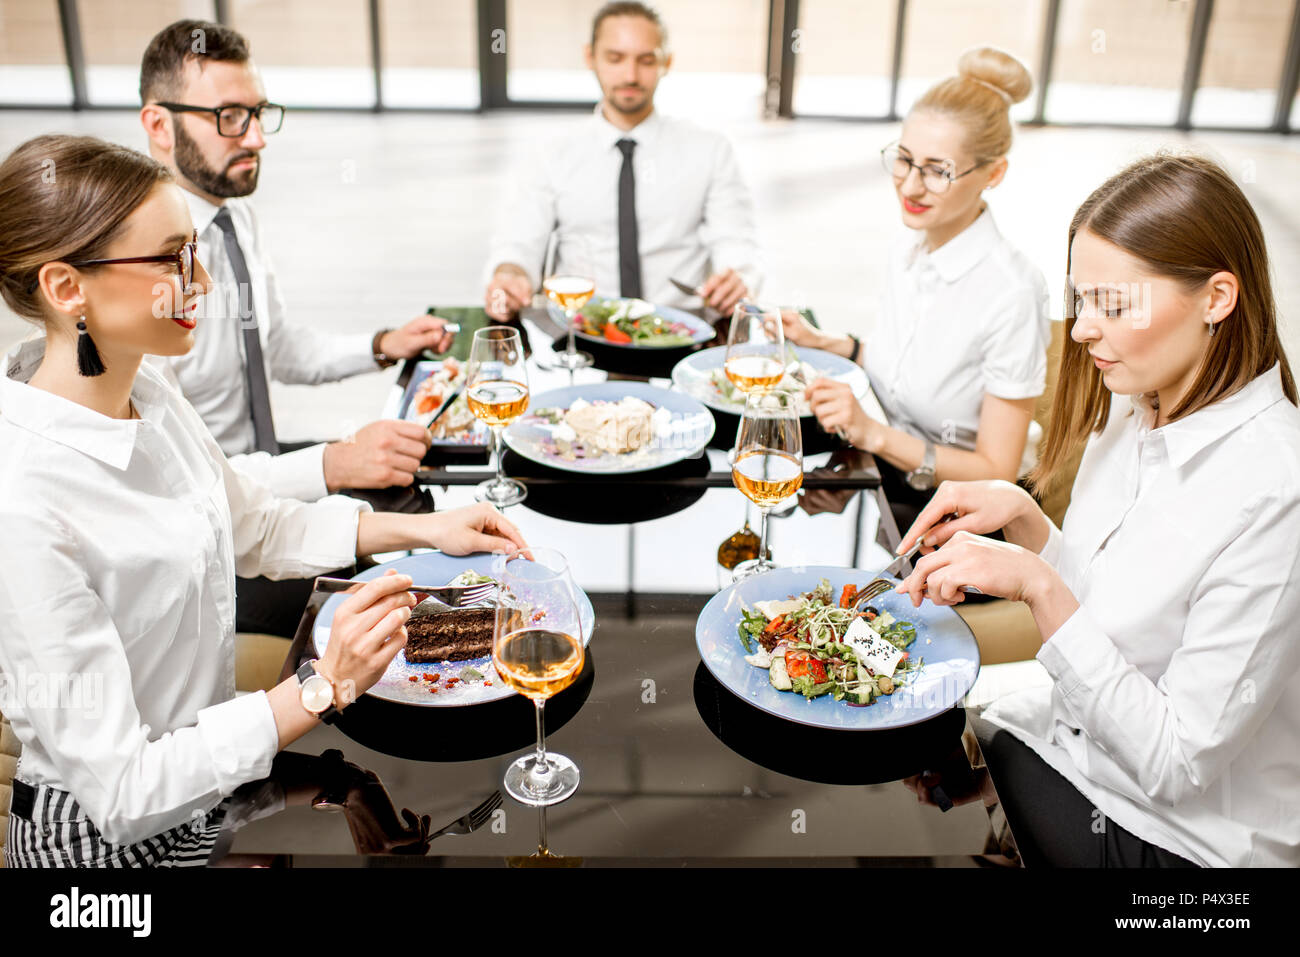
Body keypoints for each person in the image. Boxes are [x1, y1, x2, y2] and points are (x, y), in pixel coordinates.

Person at [0, 134, 529, 866]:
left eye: (197, 252)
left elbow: (252, 522)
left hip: (206, 776)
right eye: (171, 259)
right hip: (100, 847)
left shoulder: (149, 392)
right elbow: (122, 796)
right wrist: (323, 686)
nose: (204, 284)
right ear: (67, 288)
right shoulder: (25, 501)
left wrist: (434, 529)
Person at [894, 154, 1300, 868]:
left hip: (1178, 845)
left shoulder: (1277, 488)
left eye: (1114, 306)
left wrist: (1037, 585)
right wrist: (1026, 521)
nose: (1081, 330)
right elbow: (1120, 609)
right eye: (1082, 299)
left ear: (1217, 297)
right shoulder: (1135, 404)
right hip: (1077, 755)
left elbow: (1175, 762)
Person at [138, 20, 463, 636]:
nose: (256, 136)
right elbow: (182, 488)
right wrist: (332, 463)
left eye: (259, 113)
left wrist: (380, 346)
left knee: (411, 484)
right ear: (160, 125)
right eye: (231, 116)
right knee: (386, 576)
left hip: (261, 476)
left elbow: (276, 346)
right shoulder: (142, 277)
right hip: (206, 537)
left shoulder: (237, 222)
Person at [782, 47, 1050, 534]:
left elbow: (997, 471)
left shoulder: (1011, 292)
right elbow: (909, 376)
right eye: (904, 160)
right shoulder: (910, 244)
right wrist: (834, 346)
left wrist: (873, 436)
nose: (909, 186)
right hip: (896, 482)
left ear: (994, 174)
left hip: (975, 525)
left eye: (937, 170)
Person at [483, 1, 761, 321]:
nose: (630, 76)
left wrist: (740, 278)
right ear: (590, 58)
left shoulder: (711, 149)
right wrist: (511, 273)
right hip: (579, 331)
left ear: (666, 63)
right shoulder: (550, 152)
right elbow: (518, 242)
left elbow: (737, 242)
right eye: (615, 58)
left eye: (645, 60)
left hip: (680, 328)